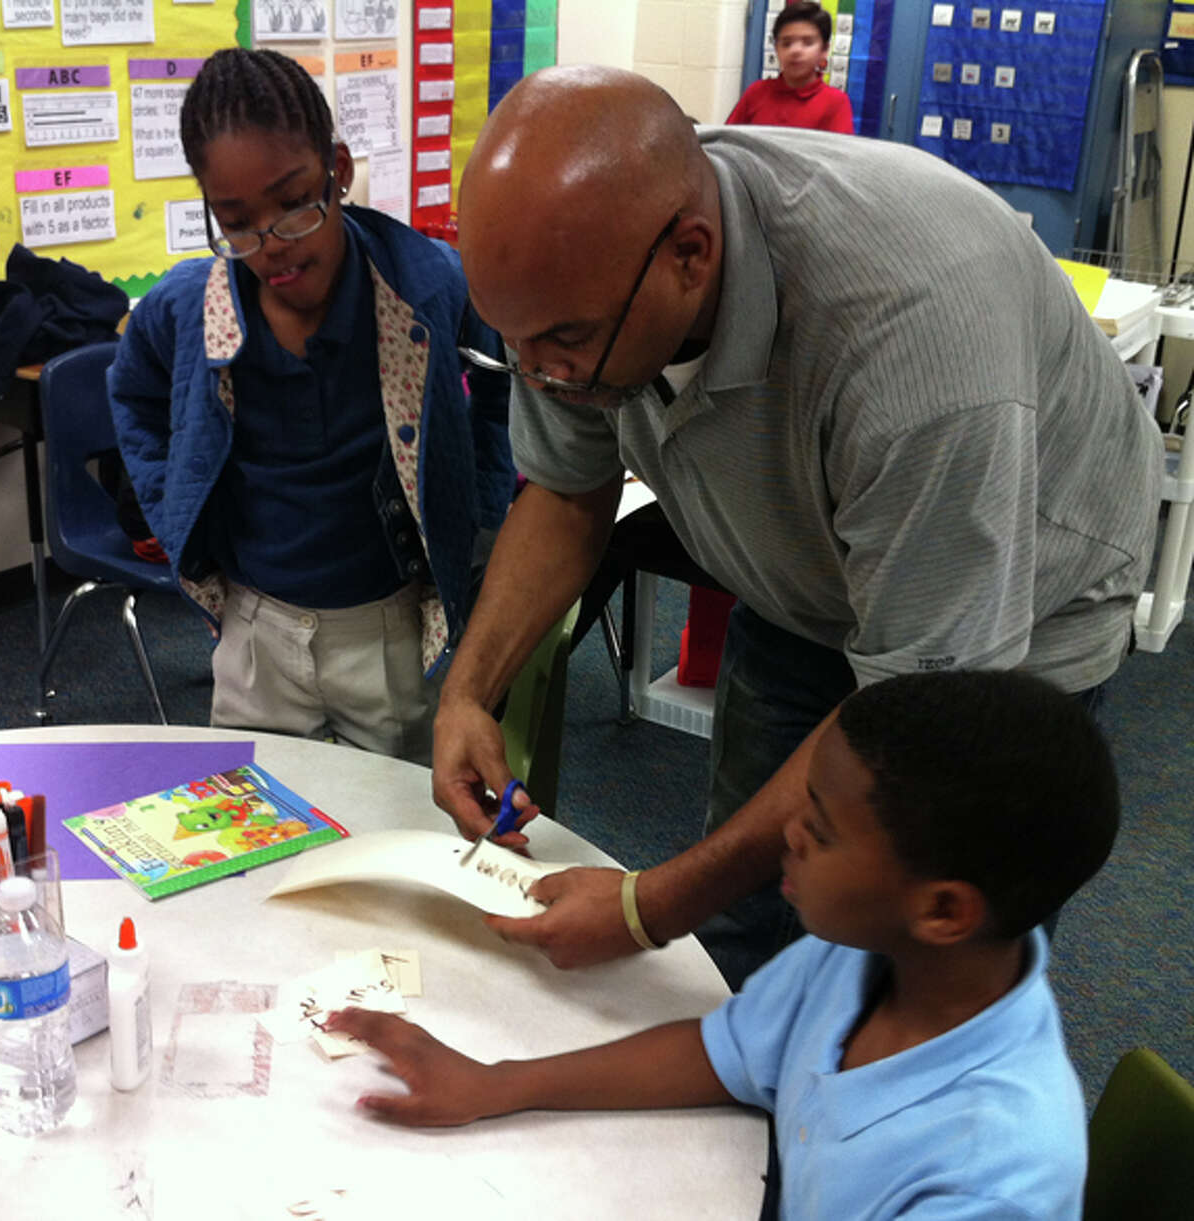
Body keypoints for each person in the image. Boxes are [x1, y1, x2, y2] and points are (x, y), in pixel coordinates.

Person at [433, 66, 1162, 981]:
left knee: (908, 962)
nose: (541, 373)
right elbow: (567, 490)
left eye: (565, 343)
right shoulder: (578, 282)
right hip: (806, 585)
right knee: (741, 931)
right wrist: (468, 693)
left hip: (1010, 627)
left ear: (692, 256)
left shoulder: (915, 338)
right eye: (517, 342)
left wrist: (645, 905)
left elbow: (913, 705)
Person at [330, 669, 1119, 1220]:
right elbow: (726, 1051)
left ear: (943, 909)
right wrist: (497, 1082)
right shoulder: (869, 953)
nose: (789, 832)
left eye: (822, 829)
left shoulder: (989, 1178)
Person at [108, 49, 514, 764]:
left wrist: (479, 506)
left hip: (385, 631)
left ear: (339, 170)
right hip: (254, 633)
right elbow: (132, 389)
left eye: (295, 202)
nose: (272, 245)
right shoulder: (189, 306)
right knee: (253, 814)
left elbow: (503, 382)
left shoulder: (426, 285)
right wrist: (174, 509)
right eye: (237, 221)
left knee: (397, 814)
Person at [726, 2, 853, 134]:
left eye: (807, 43)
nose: (795, 50)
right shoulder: (756, 93)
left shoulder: (835, 102)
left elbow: (838, 147)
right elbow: (726, 140)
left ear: (824, 50)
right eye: (787, 44)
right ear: (776, 48)